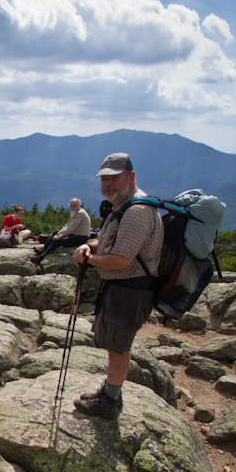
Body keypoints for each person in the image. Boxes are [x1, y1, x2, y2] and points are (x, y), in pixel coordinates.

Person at [71, 153, 163, 418]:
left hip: (131, 290)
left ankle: (109, 403)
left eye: (114, 178)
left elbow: (121, 260)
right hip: (122, 289)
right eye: (104, 179)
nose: (108, 184)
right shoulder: (122, 206)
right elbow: (111, 243)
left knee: (118, 347)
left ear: (131, 177)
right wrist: (89, 245)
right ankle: (110, 392)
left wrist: (89, 259)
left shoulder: (136, 211)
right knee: (115, 344)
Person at [32, 197, 91, 263]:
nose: (73, 207)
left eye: (75, 205)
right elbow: (67, 225)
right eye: (71, 205)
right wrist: (60, 232)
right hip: (74, 235)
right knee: (55, 232)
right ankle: (44, 250)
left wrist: (59, 237)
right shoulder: (75, 212)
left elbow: (71, 228)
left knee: (58, 241)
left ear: (79, 205)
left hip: (80, 238)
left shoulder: (80, 213)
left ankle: (42, 257)